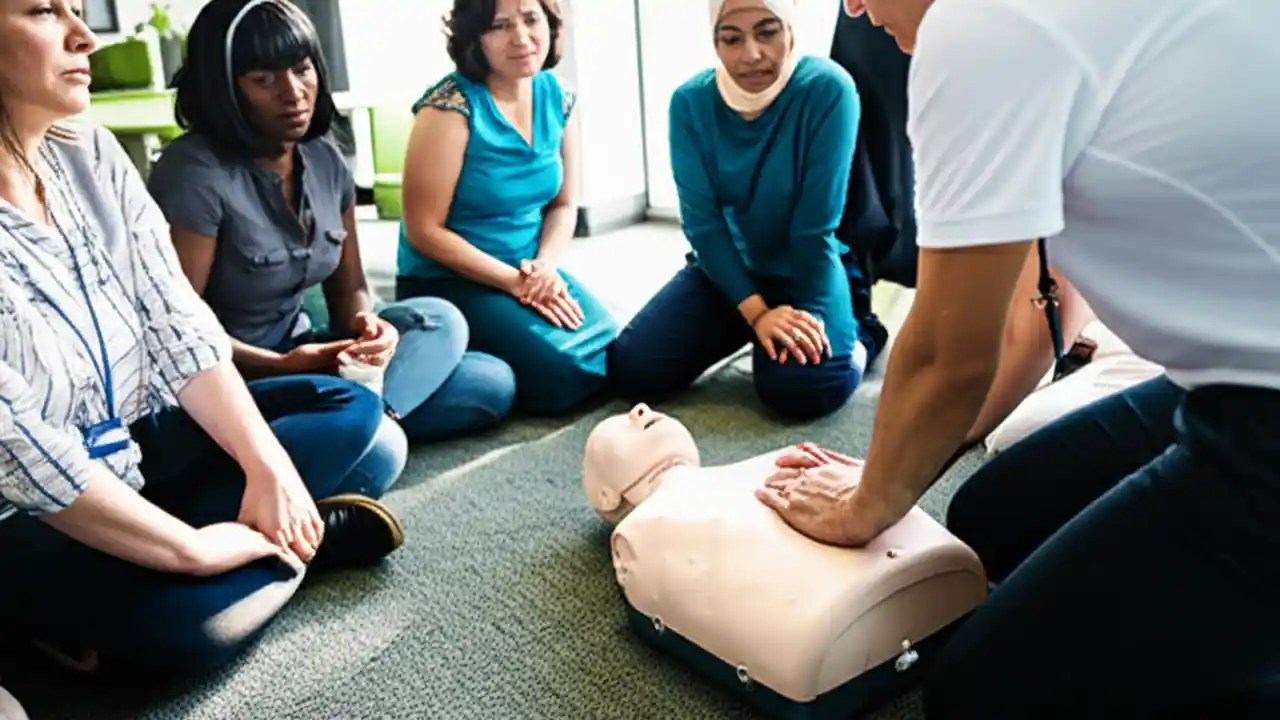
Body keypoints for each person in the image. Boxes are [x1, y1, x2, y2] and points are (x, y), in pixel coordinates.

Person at [758, 0, 1280, 717]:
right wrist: (890, 467)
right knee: (993, 516)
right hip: (1217, 379)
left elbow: (947, 355)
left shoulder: (980, 27)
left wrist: (865, 506)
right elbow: (1035, 315)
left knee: (977, 698)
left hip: (1264, 415)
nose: (851, 6)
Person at [0, 0, 401, 680]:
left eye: (79, 7)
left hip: (136, 442)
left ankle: (238, 545)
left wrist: (266, 465)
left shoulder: (89, 151)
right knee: (198, 629)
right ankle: (267, 548)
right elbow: (18, 448)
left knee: (358, 417)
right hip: (30, 512)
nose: (83, 37)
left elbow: (179, 322)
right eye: (44, 11)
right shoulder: (197, 169)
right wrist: (191, 550)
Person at [148, 0, 517, 485]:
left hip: (311, 353)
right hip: (233, 381)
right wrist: (281, 366)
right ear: (224, 89)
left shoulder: (325, 155)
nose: (294, 93)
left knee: (483, 372)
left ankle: (358, 424)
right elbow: (175, 336)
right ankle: (357, 431)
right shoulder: (194, 173)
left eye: (302, 70)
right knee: (387, 453)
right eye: (264, 79)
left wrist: (365, 327)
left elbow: (350, 290)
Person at [608, 0, 886, 421]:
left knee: (800, 391)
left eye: (767, 32)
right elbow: (703, 225)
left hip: (806, 265)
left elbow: (814, 230)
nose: (751, 54)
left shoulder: (828, 89)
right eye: (731, 38)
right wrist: (757, 313)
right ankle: (748, 324)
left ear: (791, 27)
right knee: (634, 371)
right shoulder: (690, 103)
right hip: (725, 270)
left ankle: (861, 330)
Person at [829, 5, 1095, 445]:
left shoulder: (1038, 55)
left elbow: (1041, 316)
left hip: (1224, 356)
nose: (851, 6)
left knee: (1002, 466)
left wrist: (880, 484)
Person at [395, 0, 617, 417]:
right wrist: (514, 283)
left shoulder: (560, 97)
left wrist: (545, 268)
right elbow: (424, 231)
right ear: (474, 38)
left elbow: (563, 204)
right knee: (564, 369)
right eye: (499, 26)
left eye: (531, 20)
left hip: (529, 272)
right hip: (451, 280)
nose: (521, 37)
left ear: (550, 25)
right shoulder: (448, 109)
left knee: (614, 346)